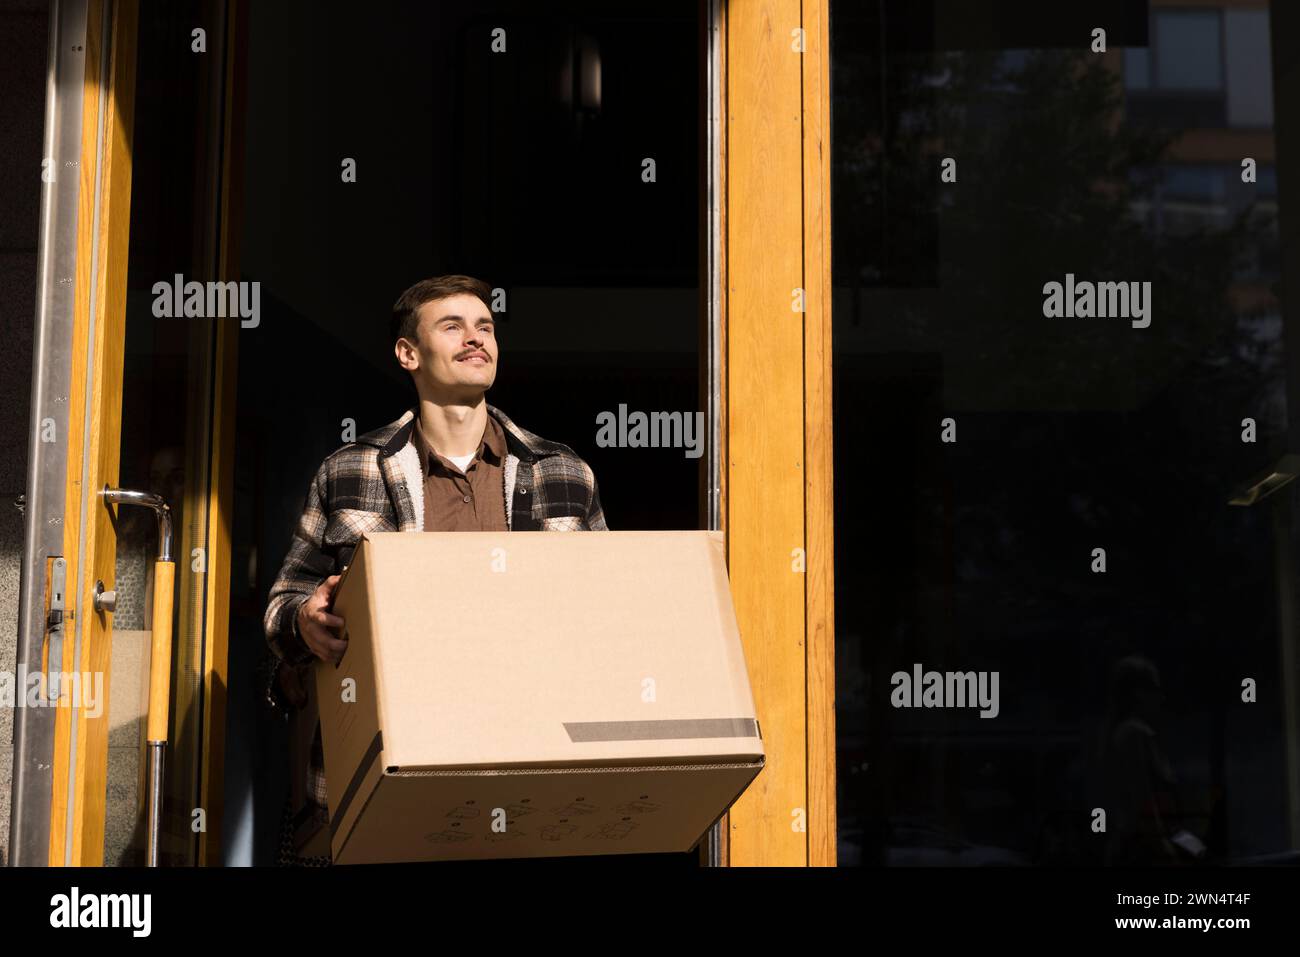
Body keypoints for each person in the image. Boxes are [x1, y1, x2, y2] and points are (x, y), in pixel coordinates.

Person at [262, 275, 608, 865]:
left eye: (485, 327)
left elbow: (610, 618)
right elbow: (285, 601)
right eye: (453, 326)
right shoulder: (349, 469)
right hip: (392, 771)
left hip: (530, 770)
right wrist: (304, 622)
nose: (476, 339)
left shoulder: (564, 473)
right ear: (408, 353)